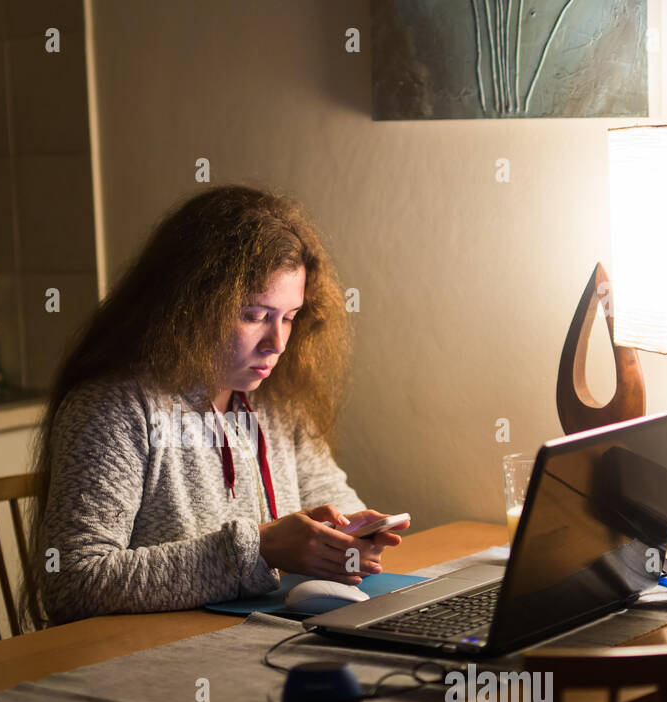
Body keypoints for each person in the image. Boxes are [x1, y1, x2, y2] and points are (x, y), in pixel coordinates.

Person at [21, 185, 408, 627]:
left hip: (254, 645)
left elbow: (332, 498)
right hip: (150, 662)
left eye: (289, 316)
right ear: (190, 305)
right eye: (254, 315)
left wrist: (352, 539)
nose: (277, 343)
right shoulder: (114, 405)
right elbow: (72, 580)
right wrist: (259, 549)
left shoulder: (278, 399)